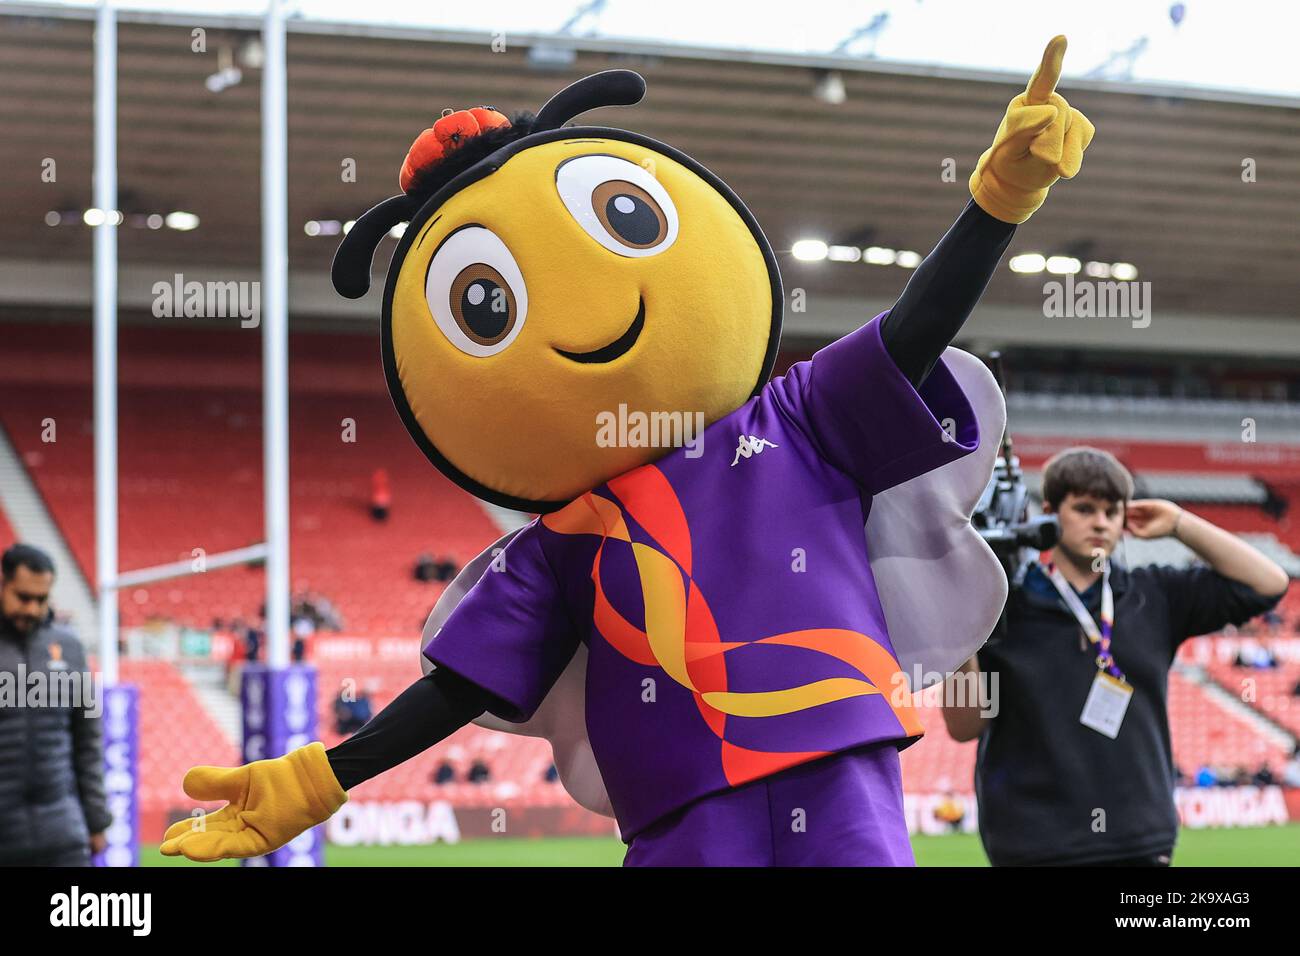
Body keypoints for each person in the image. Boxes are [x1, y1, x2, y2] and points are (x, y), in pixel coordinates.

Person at [163, 39, 1097, 867]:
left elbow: (915, 329)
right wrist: (325, 775)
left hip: (835, 761)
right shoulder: (559, 545)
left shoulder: (798, 416)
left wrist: (997, 203)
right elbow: (459, 687)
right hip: (682, 802)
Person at [941, 447, 1289, 866]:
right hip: (1031, 843)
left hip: (1139, 838)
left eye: (1112, 511)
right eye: (1084, 509)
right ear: (1048, 513)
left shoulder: (1154, 594)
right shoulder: (1002, 603)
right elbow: (964, 725)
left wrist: (1179, 524)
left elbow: (1269, 583)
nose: (1100, 523)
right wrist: (962, 626)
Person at [0, 544, 113, 866]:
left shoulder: (70, 648)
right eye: (23, 597)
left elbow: (87, 739)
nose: (33, 609)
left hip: (61, 832)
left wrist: (96, 820)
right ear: (3, 584)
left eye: (42, 599)